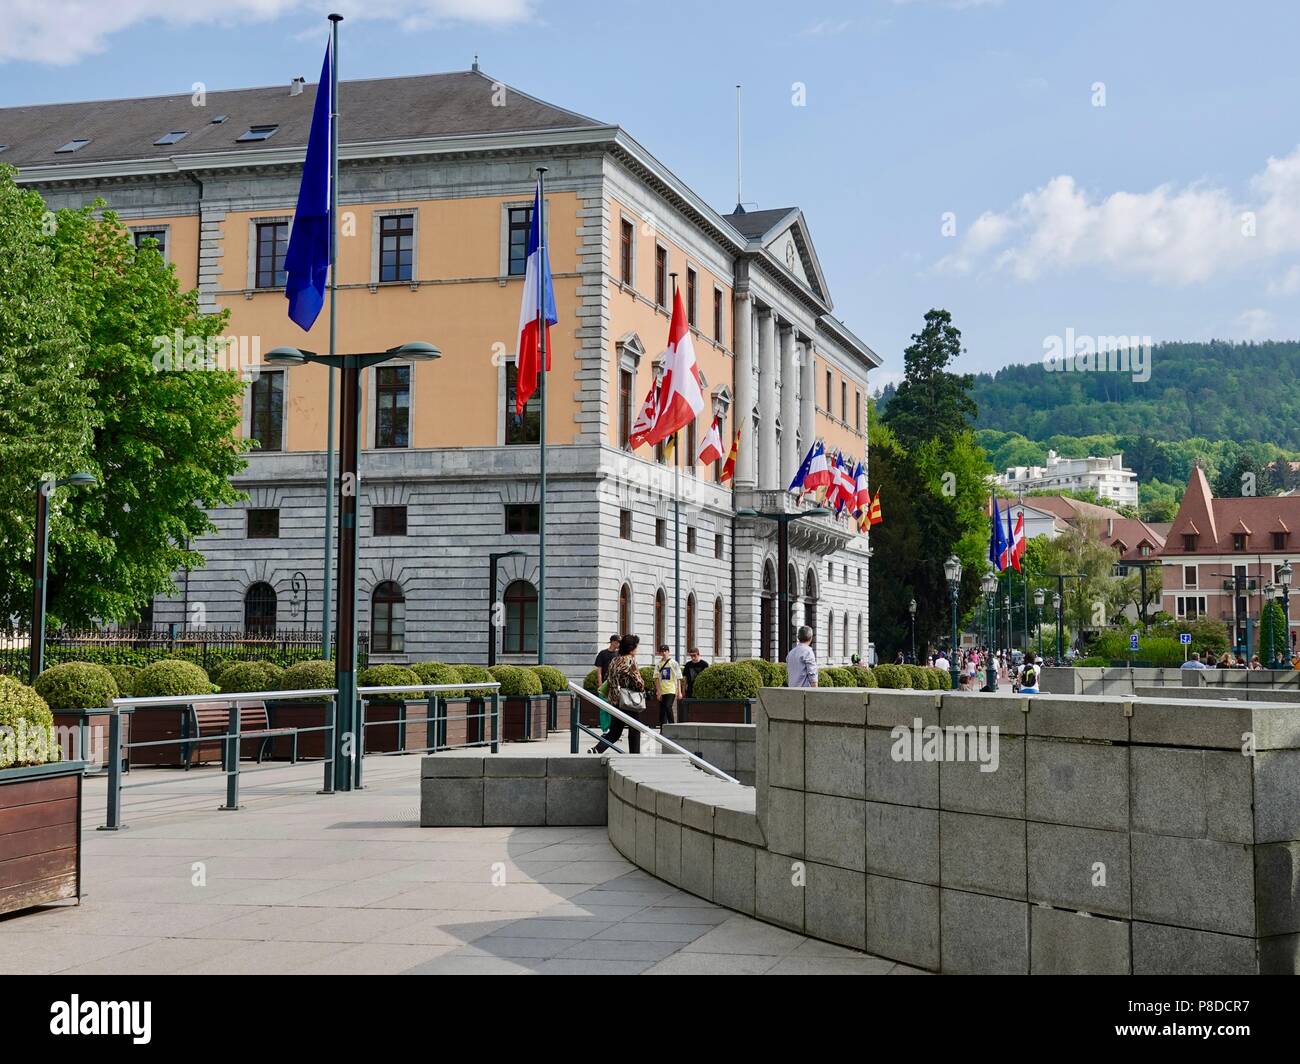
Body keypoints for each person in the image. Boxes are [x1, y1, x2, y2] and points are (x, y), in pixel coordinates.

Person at [594, 635, 644, 753]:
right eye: (636, 647)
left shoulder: (615, 660)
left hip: (615, 699)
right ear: (631, 648)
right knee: (635, 729)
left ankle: (597, 749)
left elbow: (609, 679)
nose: (637, 650)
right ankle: (634, 755)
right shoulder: (630, 661)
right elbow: (638, 682)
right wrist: (642, 684)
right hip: (629, 700)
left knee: (615, 732)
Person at [654, 644, 682, 727]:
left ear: (668, 652)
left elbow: (678, 678)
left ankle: (672, 725)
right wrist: (658, 691)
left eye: (665, 651)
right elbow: (656, 678)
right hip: (662, 690)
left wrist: (679, 691)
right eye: (661, 651)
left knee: (668, 706)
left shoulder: (674, 663)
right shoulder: (658, 664)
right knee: (662, 711)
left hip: (671, 689)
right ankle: (662, 729)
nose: (663, 653)